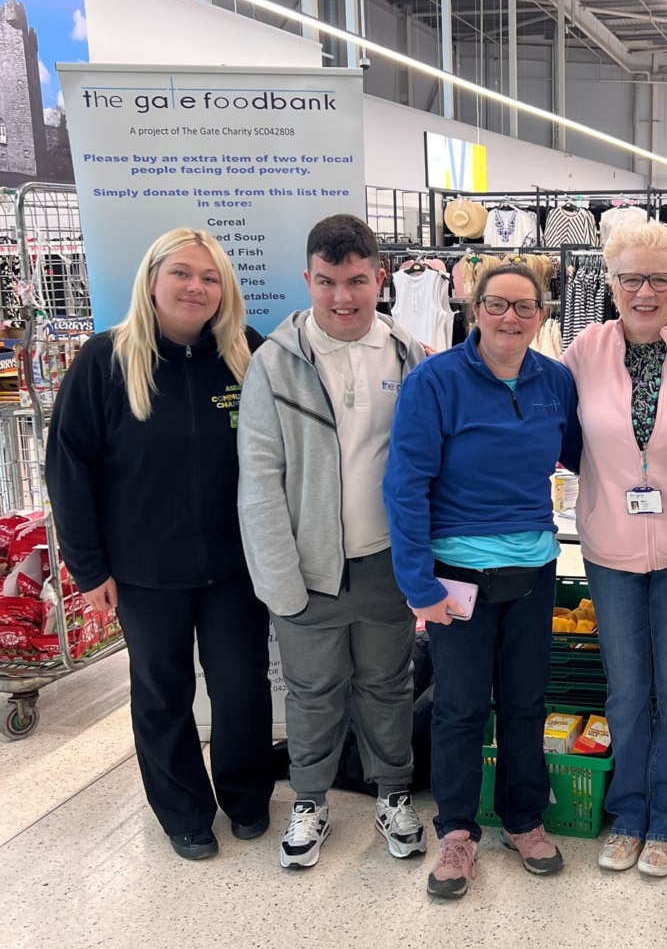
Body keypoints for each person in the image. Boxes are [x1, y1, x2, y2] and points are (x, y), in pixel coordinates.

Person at [46, 229, 272, 860]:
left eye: (209, 277)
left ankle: (248, 797)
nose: (196, 287)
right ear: (151, 281)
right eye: (181, 273)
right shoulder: (104, 360)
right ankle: (183, 813)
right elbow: (68, 468)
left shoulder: (247, 353)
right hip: (143, 571)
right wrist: (88, 569)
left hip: (235, 567)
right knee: (161, 694)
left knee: (241, 687)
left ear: (224, 289)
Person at [385, 264, 581, 901]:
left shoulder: (555, 380)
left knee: (526, 702)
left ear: (542, 315)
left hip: (533, 569)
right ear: (474, 308)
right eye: (497, 304)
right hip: (456, 576)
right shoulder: (434, 381)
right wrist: (419, 584)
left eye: (525, 307)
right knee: (460, 706)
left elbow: (582, 454)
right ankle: (457, 831)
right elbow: (405, 485)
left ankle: (524, 819)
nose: (510, 318)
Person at [238, 214, 426, 871]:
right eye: (326, 282)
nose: (342, 297)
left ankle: (393, 794)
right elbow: (258, 478)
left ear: (379, 277)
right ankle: (310, 801)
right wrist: (278, 579)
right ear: (307, 279)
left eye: (355, 281)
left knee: (388, 687)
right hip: (308, 569)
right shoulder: (274, 363)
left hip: (386, 564)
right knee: (312, 692)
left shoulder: (408, 355)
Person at [562, 221, 667, 878]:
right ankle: (629, 812)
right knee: (627, 690)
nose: (645, 291)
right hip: (609, 549)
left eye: (661, 278)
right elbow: (554, 430)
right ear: (610, 283)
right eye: (631, 277)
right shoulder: (584, 349)